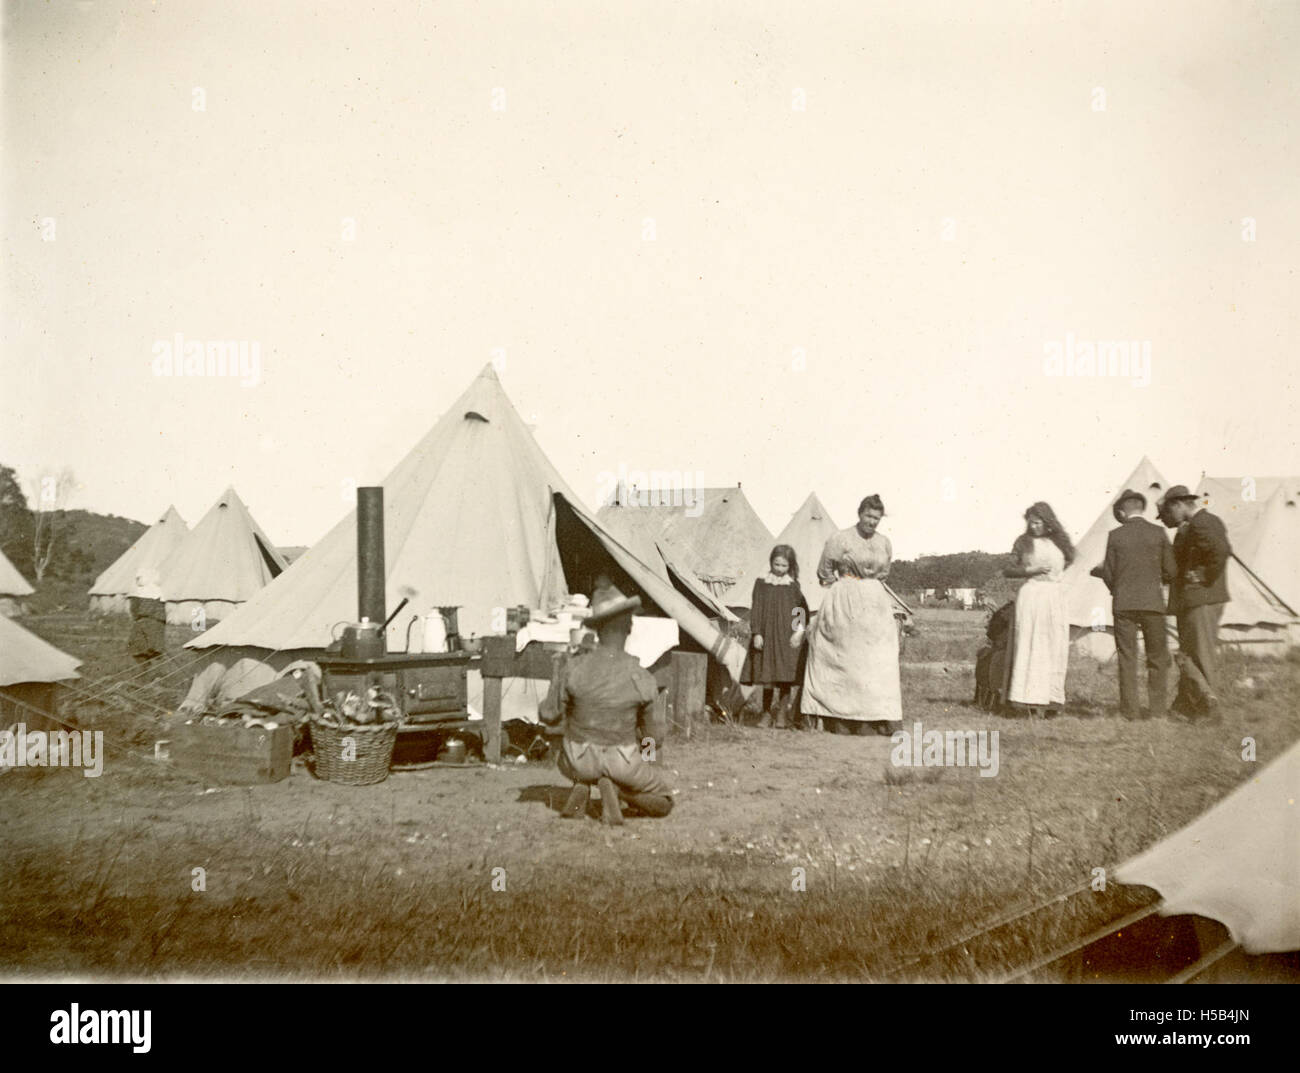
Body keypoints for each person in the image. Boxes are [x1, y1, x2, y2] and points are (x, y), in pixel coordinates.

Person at [540, 582, 674, 825]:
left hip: (575, 760)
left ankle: (584, 783)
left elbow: (549, 715)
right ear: (630, 627)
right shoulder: (641, 676)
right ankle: (618, 789)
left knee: (574, 732)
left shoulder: (574, 667)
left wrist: (558, 681)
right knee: (665, 802)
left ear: (597, 630)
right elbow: (654, 736)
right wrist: (647, 761)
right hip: (622, 761)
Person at [800, 494, 903, 736]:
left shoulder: (884, 543)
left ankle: (872, 717)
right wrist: (843, 589)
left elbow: (884, 573)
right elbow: (824, 571)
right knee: (844, 659)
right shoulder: (840, 538)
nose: (872, 522)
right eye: (868, 516)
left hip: (875, 601)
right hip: (845, 598)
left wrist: (870, 589)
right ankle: (839, 718)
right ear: (860, 514)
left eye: (876, 518)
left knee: (877, 661)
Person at [1090, 489, 1176, 719]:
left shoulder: (1115, 536)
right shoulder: (1158, 533)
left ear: (1122, 511)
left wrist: (1117, 590)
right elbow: (1171, 570)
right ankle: (1158, 712)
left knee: (1127, 657)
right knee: (1157, 657)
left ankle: (1130, 712)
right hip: (1153, 604)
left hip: (1123, 604)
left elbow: (1108, 573)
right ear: (1141, 508)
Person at [1160, 485, 1232, 718]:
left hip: (1202, 598)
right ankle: (1187, 706)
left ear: (1178, 504)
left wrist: (1203, 576)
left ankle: (1210, 711)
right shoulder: (1194, 525)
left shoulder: (1202, 522)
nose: (1166, 519)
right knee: (1189, 653)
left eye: (1168, 513)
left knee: (1198, 655)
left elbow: (1220, 551)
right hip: (1196, 599)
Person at [1003, 502, 1074, 716]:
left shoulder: (1061, 542)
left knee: (1054, 647)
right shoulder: (1023, 542)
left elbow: (1069, 560)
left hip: (1054, 597)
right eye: (1030, 523)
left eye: (1038, 522)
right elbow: (1008, 569)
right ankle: (1028, 701)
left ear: (1048, 522)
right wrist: (1030, 570)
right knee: (1030, 646)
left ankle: (1052, 702)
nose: (1033, 527)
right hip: (1032, 597)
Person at [742, 544, 809, 729]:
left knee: (785, 674)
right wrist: (757, 633)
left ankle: (781, 713)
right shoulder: (761, 584)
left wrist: (799, 632)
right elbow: (756, 609)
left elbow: (801, 610)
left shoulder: (793, 586)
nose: (779, 569)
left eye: (783, 566)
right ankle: (766, 713)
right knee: (768, 675)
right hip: (767, 636)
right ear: (771, 562)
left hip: (786, 638)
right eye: (776, 564)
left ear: (790, 566)